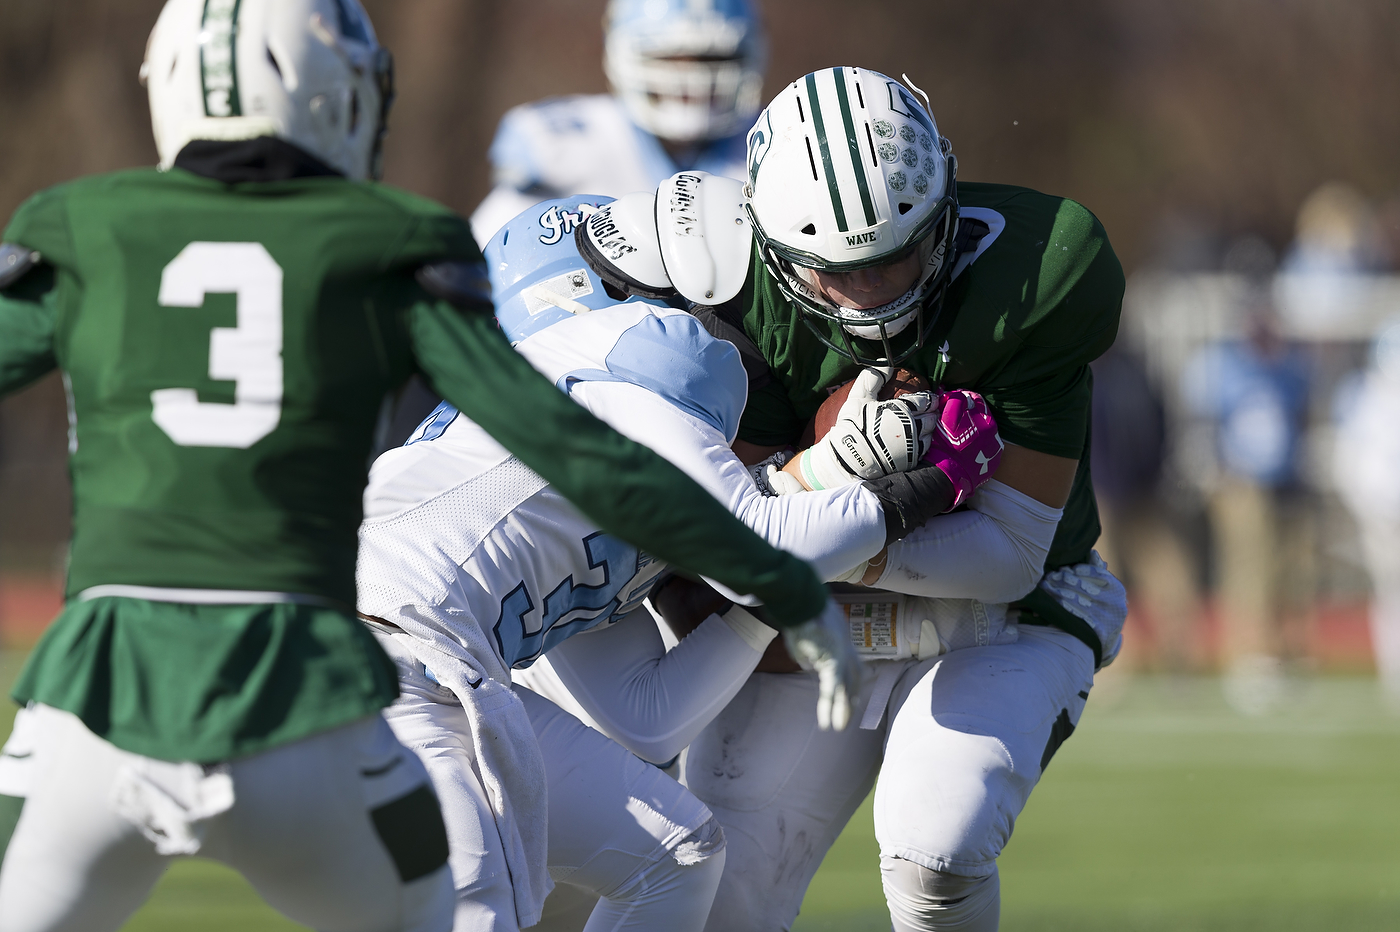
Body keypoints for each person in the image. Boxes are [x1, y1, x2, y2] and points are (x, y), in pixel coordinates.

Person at [0, 4, 848, 929]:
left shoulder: (75, 223)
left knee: (669, 852)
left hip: (104, 686)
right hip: (334, 677)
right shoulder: (388, 241)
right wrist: (786, 574)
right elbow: (568, 444)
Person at [355, 192, 1000, 931]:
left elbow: (646, 717)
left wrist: (762, 608)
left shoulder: (574, 477)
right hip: (379, 654)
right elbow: (759, 545)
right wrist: (916, 492)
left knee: (674, 855)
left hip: (435, 663)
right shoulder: (623, 353)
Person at [588, 68, 1129, 931]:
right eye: (837, 271)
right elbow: (730, 555)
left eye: (894, 258)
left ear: (944, 208)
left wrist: (837, 532)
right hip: (806, 625)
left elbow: (1011, 557)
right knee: (708, 892)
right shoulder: (727, 297)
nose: (872, 297)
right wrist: (830, 482)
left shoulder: (1036, 274)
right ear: (771, 249)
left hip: (1016, 609)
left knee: (935, 848)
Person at [469, 0, 764, 245]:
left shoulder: (776, 140)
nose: (692, 82)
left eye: (712, 59)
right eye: (668, 58)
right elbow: (493, 247)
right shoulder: (564, 144)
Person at [1333, 320, 1400, 709]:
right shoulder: (1363, 394)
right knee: (1389, 589)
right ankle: (1393, 670)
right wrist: (1363, 501)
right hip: (1379, 509)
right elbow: (1351, 458)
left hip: (1378, 504)